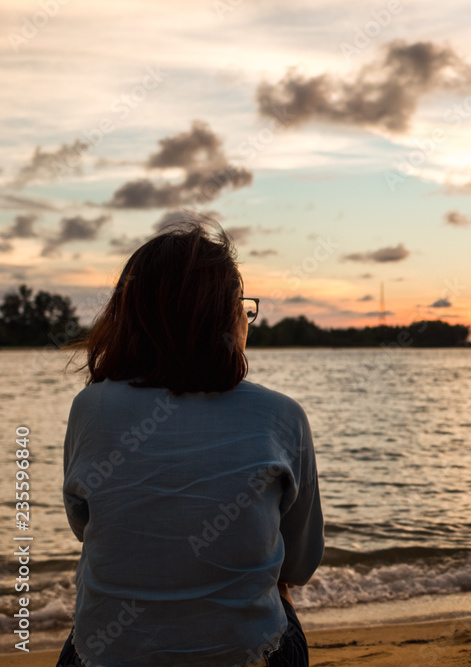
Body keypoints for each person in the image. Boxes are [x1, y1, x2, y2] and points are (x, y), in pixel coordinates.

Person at [57, 217, 325, 666]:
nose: (247, 317)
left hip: (108, 655)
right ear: (226, 316)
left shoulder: (91, 409)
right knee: (276, 593)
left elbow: (85, 525)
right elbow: (299, 566)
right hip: (245, 656)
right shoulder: (282, 415)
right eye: (242, 305)